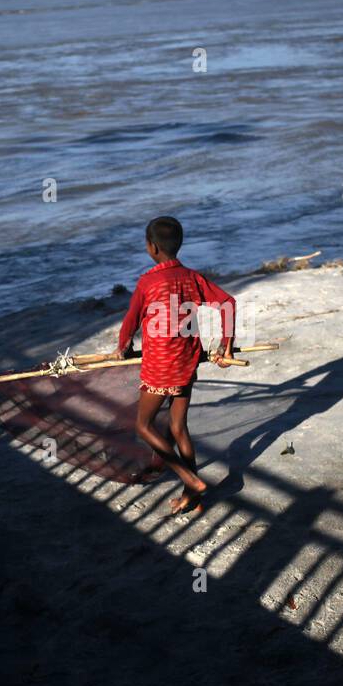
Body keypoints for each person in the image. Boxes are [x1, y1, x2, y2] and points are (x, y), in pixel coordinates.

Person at [114, 216, 237, 512]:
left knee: (143, 426)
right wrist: (225, 346)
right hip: (186, 362)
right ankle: (192, 497)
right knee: (179, 428)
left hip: (159, 366)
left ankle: (189, 479)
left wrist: (123, 346)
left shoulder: (147, 281)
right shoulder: (192, 277)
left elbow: (131, 320)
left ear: (152, 247)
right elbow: (228, 303)